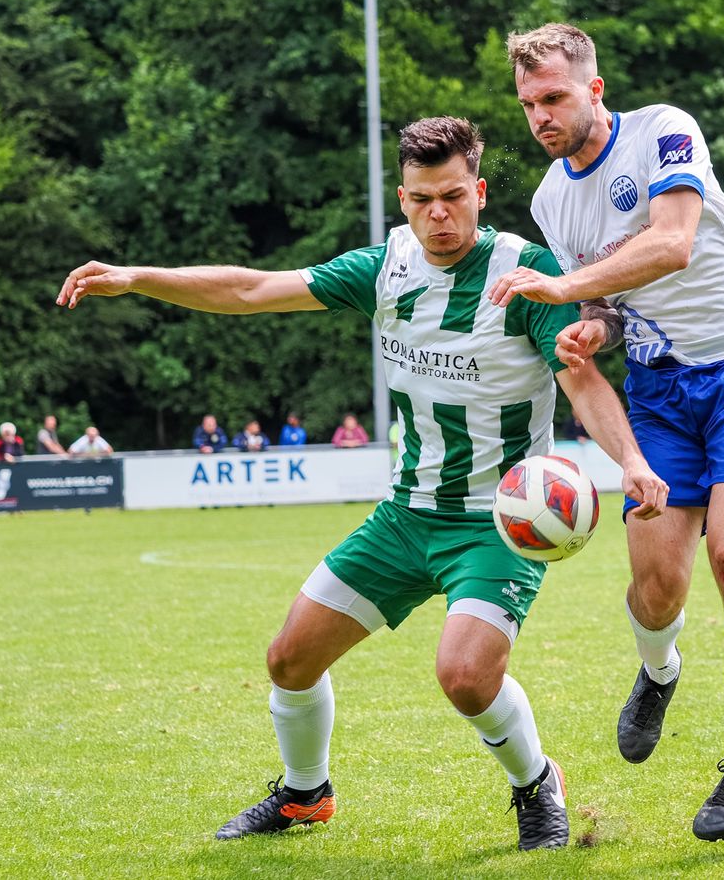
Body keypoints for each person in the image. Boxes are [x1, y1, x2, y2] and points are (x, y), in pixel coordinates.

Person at [56, 116, 668, 852]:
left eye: (451, 197)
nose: (436, 215)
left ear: (478, 191)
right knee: (289, 658)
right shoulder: (387, 268)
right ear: (402, 200)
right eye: (418, 200)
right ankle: (304, 795)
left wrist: (629, 462)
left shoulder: (524, 273)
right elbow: (252, 289)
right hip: (404, 518)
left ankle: (537, 783)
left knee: (466, 676)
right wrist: (136, 278)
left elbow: (582, 378)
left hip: (495, 525)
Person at [494, 24, 724, 842]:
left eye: (553, 97)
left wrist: (560, 289)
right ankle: (659, 670)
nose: (541, 116)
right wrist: (590, 328)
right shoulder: (552, 198)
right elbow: (607, 305)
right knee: (657, 588)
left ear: (594, 89)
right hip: (661, 390)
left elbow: (670, 244)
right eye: (528, 104)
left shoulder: (664, 129)